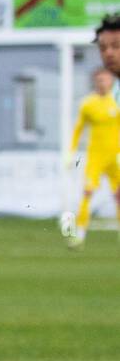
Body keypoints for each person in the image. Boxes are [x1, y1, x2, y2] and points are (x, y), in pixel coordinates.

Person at [64, 64, 118, 249]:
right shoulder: (88, 104)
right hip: (96, 157)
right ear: (95, 82)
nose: (102, 82)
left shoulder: (117, 101)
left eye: (105, 79)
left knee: (119, 196)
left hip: (116, 157)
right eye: (99, 79)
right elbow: (78, 129)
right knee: (87, 193)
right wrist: (70, 152)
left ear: (111, 81)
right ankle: (79, 236)